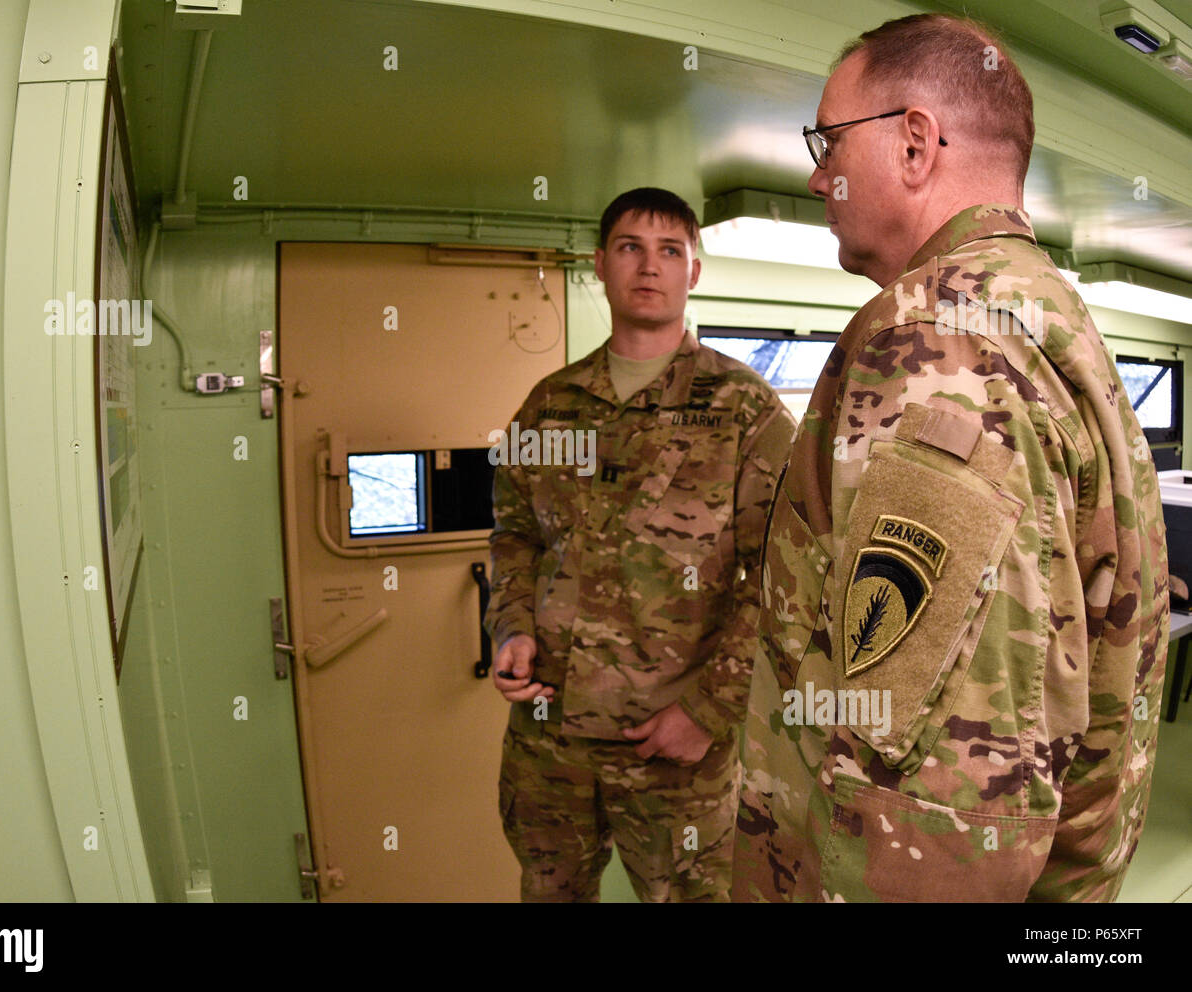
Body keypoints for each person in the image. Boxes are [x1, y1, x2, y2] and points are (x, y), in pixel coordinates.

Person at [732, 13, 1170, 902]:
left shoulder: (936, 343)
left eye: (829, 140)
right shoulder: (1051, 317)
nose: (819, 175)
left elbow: (936, 816)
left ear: (916, 144)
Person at [485, 187, 796, 901]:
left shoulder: (744, 409)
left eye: (669, 251)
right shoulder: (550, 403)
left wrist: (710, 712)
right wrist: (511, 628)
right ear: (600, 263)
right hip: (548, 735)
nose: (648, 266)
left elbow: (782, 576)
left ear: (694, 270)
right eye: (630, 247)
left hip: (672, 743)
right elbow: (515, 535)